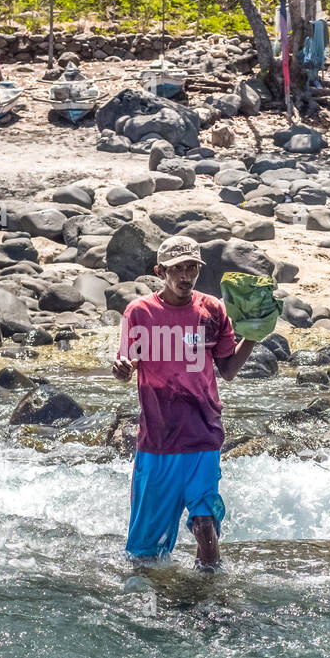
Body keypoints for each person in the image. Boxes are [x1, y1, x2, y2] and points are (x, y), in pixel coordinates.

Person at [112, 236, 256, 571]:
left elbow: (229, 369)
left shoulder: (213, 310)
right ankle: (143, 601)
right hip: (158, 440)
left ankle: (211, 594)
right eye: (177, 268)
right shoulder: (140, 312)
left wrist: (254, 335)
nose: (185, 275)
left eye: (191, 267)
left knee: (205, 523)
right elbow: (127, 366)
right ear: (160, 271)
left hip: (203, 435)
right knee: (146, 551)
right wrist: (121, 370)